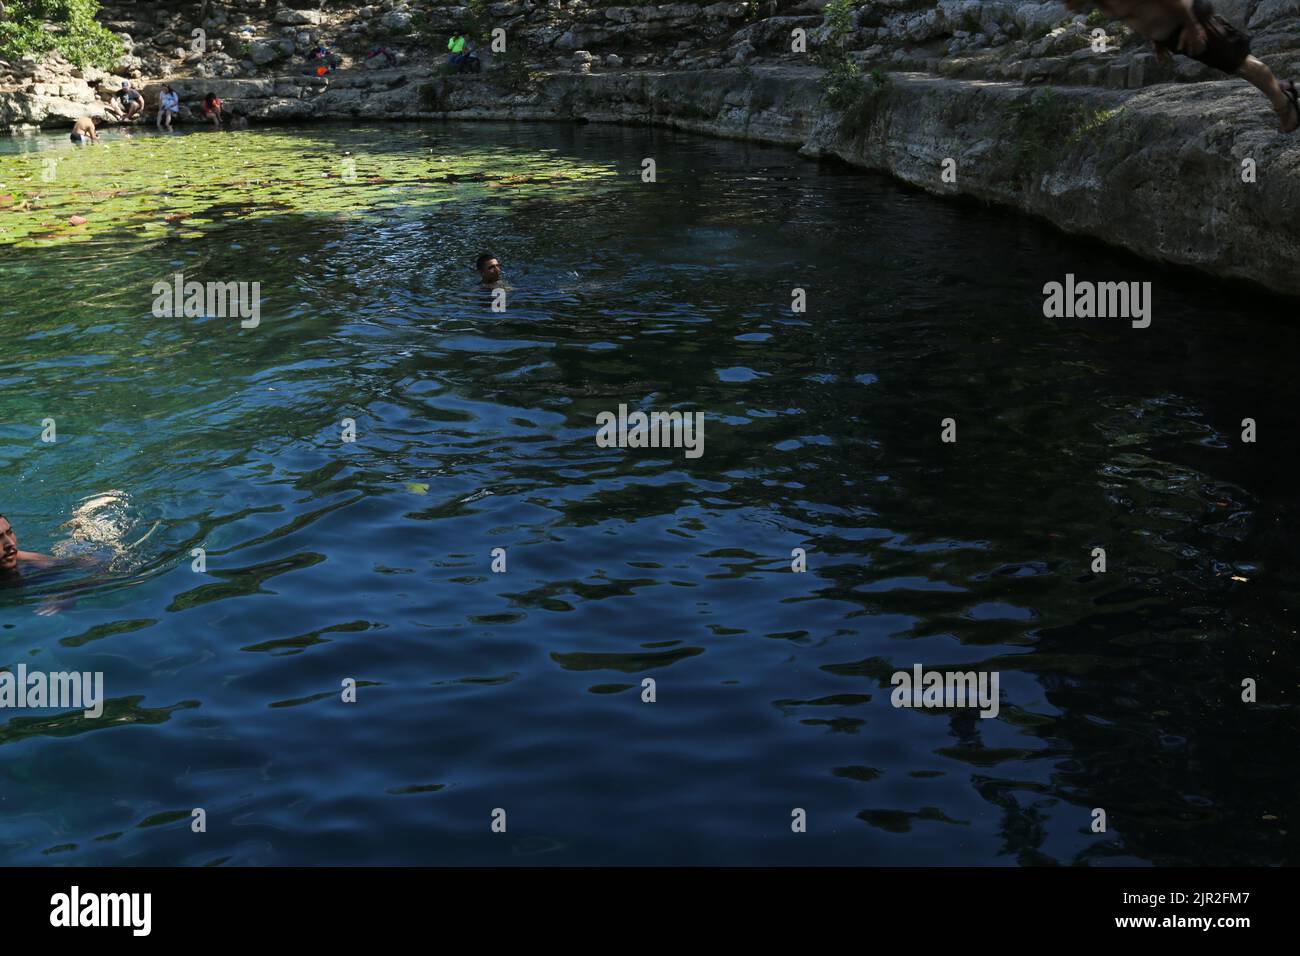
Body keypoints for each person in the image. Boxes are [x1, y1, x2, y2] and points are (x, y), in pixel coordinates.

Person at [1067, 0, 1298, 132]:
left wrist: (1193, 26)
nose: (1067, 5)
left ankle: (1285, 105)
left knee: (1240, 62)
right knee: (1233, 65)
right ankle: (1285, 89)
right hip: (1173, 33)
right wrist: (1157, 41)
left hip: (1187, 22)